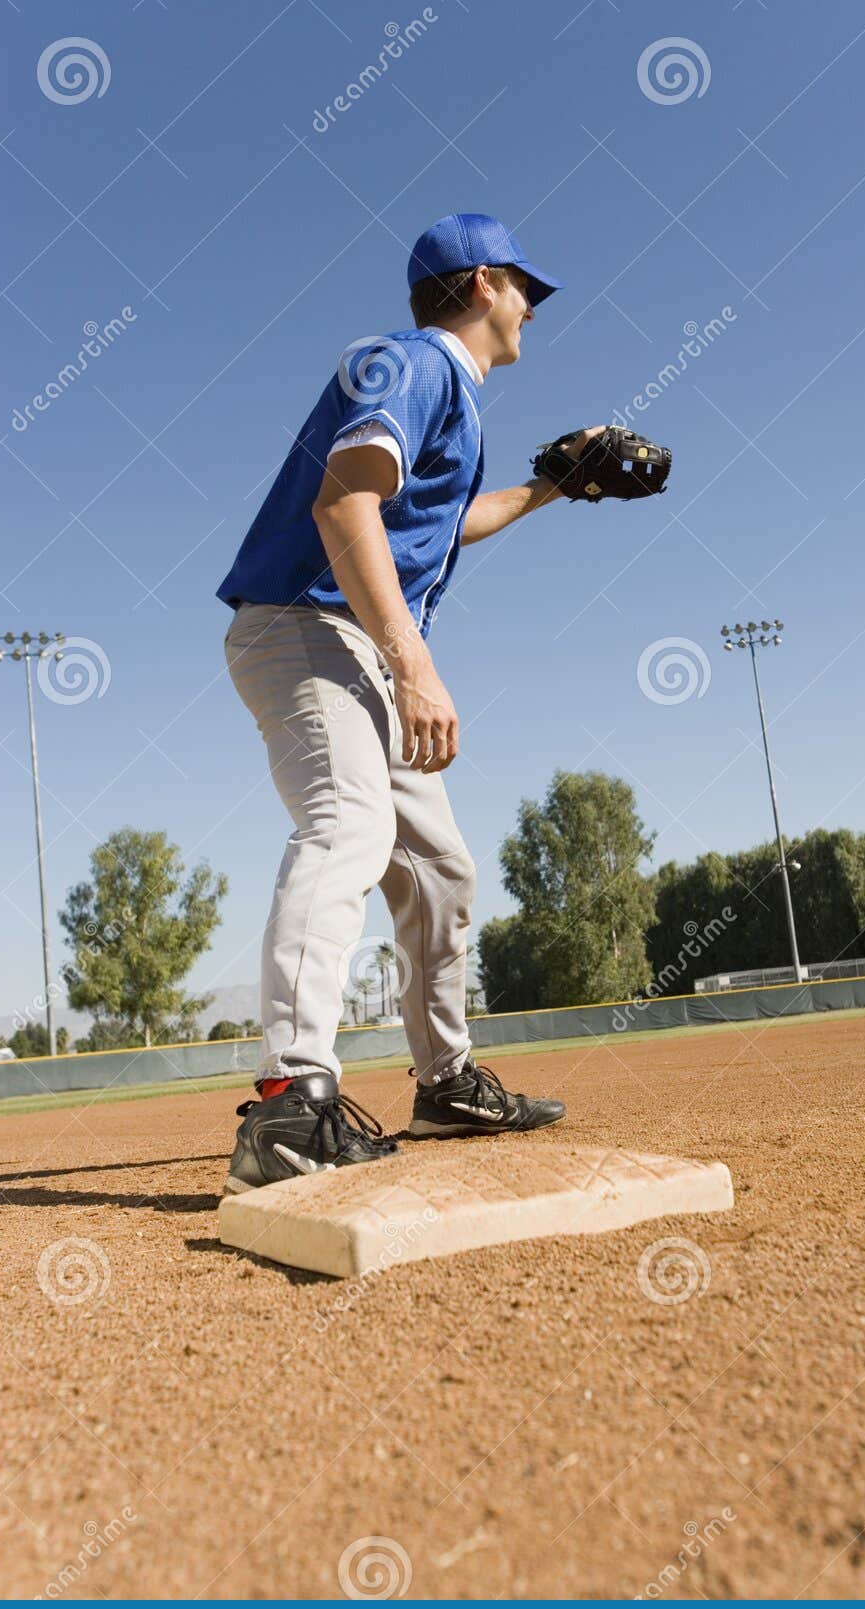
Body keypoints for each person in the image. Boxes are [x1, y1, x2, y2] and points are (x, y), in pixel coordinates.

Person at [216, 213, 602, 1193]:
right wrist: (414, 663)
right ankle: (290, 1102)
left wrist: (552, 486)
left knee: (438, 870)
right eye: (523, 285)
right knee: (347, 825)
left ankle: (446, 1082)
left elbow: (439, 522)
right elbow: (344, 503)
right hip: (308, 625)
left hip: (353, 641)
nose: (532, 305)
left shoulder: (451, 396)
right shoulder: (413, 362)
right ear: (479, 284)